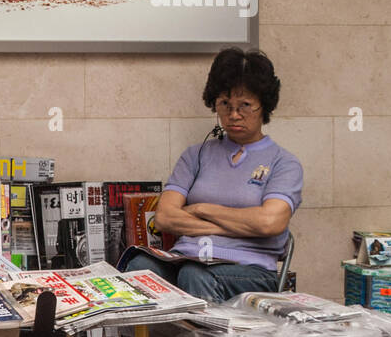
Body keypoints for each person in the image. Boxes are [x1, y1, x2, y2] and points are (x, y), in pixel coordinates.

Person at [124, 48, 303, 302]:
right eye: (225, 104)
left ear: (264, 105)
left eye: (245, 105)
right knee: (140, 267)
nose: (233, 115)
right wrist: (240, 225)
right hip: (187, 260)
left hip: (248, 271)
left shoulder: (283, 162)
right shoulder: (195, 155)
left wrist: (200, 209)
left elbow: (269, 223)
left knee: (195, 275)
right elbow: (164, 217)